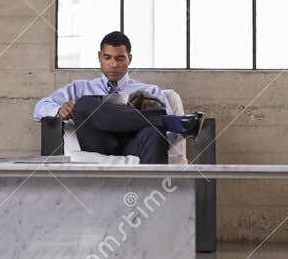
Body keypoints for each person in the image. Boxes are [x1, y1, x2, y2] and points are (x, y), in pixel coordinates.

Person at [32, 30, 202, 165]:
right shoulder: (80, 87)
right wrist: (58, 109)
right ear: (100, 57)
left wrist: (133, 115)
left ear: (129, 59)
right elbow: (39, 108)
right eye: (107, 58)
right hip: (99, 143)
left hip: (135, 144)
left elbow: (170, 138)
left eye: (120, 58)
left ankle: (149, 194)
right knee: (84, 104)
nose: (113, 64)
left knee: (155, 131)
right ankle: (168, 121)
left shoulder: (150, 91)